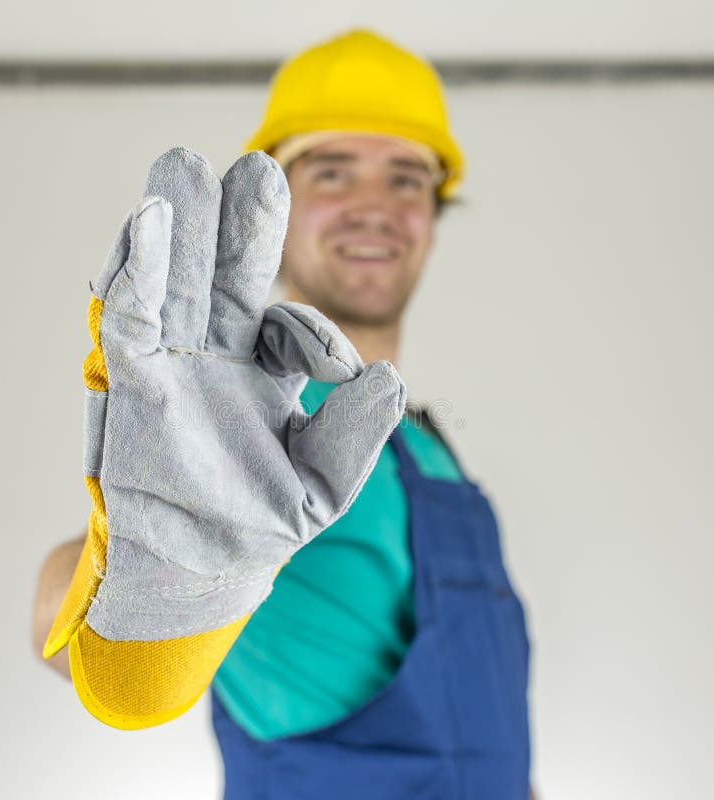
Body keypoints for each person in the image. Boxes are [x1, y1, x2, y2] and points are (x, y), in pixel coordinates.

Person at [33, 29, 533, 799]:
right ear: (281, 203)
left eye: (407, 178)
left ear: (433, 216)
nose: (375, 207)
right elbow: (54, 618)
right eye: (334, 172)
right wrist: (155, 584)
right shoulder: (238, 431)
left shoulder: (430, 453)